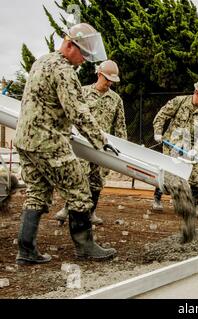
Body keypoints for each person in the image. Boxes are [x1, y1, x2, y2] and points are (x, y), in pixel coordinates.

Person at [13, 23, 117, 265]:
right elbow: (78, 112)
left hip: (26, 140)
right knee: (80, 191)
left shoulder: (42, 61)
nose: (84, 61)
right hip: (48, 142)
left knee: (37, 194)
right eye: (83, 54)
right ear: (69, 45)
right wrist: (101, 141)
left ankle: (26, 250)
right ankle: (85, 247)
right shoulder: (64, 71)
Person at [54, 60, 127, 225]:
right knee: (79, 176)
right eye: (107, 79)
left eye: (112, 81)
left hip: (103, 147)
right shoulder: (83, 92)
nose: (109, 83)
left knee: (97, 181)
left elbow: (120, 126)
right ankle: (68, 208)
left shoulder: (116, 99)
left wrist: (122, 149)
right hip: (82, 144)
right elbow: (70, 115)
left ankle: (91, 212)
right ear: (99, 74)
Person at [152, 79, 198, 211]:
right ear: (197, 93)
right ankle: (157, 200)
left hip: (192, 148)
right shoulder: (179, 102)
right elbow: (161, 115)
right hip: (172, 145)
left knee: (196, 174)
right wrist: (158, 133)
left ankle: (195, 206)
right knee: (167, 173)